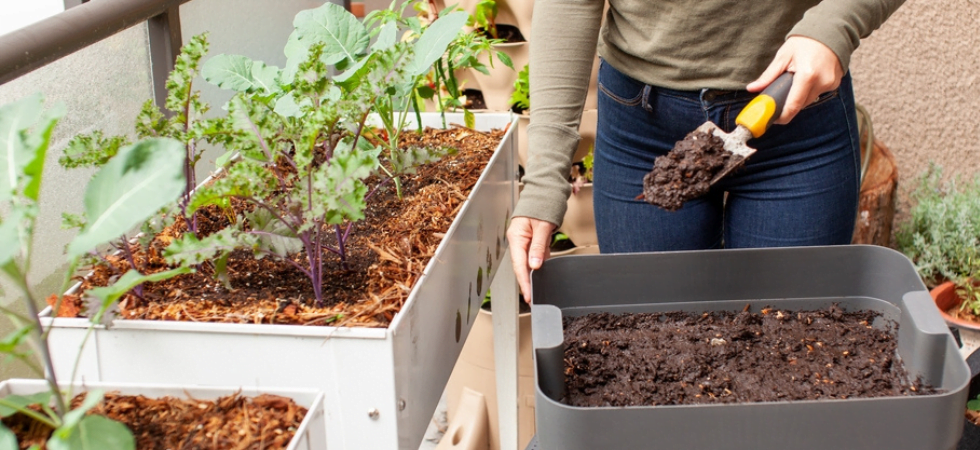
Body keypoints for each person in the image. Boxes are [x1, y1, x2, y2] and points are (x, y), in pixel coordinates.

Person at [507, 0, 907, 301]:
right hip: (643, 126)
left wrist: (835, 23)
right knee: (656, 345)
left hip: (794, 114)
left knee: (787, 350)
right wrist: (545, 178)